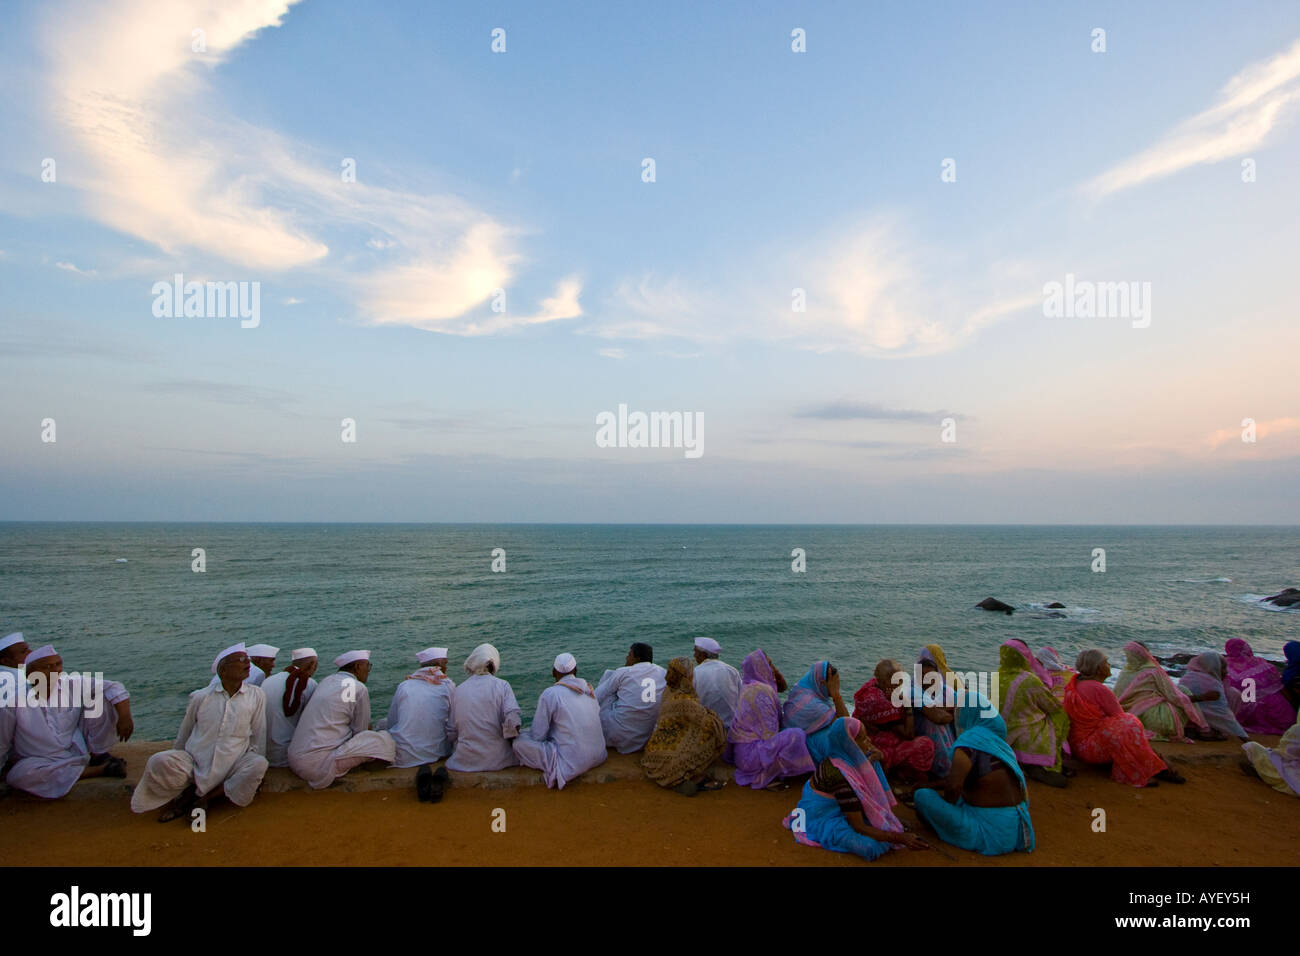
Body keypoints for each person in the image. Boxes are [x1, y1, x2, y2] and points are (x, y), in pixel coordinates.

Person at [131, 642, 266, 821]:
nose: (247, 664)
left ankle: (203, 798)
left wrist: (257, 767)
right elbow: (185, 732)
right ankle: (188, 792)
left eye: (247, 659)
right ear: (223, 670)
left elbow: (258, 732)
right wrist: (177, 755)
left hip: (233, 763)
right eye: (241, 660)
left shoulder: (256, 695)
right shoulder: (201, 697)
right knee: (159, 761)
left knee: (259, 763)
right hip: (196, 763)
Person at [1, 645, 133, 798]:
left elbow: (115, 688)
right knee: (18, 776)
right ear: (31, 674)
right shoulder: (13, 701)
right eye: (47, 667)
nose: (56, 670)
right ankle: (101, 770)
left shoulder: (70, 683)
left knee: (100, 696)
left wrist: (125, 718)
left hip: (73, 749)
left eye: (58, 664)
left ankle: (98, 754)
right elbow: (2, 742)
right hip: (37, 759)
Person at [913, 693, 1035, 856]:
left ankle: (947, 830)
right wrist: (933, 785)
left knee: (923, 797)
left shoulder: (968, 743)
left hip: (990, 834)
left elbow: (954, 787)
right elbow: (975, 778)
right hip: (1016, 827)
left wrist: (944, 804)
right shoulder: (998, 744)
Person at [1064, 649, 1183, 787]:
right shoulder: (1099, 689)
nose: (1109, 665)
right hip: (1092, 749)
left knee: (1126, 726)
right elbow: (1120, 718)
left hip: (1077, 747)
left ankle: (1156, 765)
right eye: (1106, 662)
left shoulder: (1074, 684)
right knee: (1129, 723)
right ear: (1098, 668)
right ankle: (1140, 771)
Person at [783, 757, 931, 861]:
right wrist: (898, 837)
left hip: (842, 811)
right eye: (862, 738)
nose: (867, 741)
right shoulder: (839, 774)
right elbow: (858, 826)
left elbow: (872, 798)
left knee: (886, 826)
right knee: (870, 847)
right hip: (823, 819)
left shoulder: (845, 760)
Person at [287, 650, 395, 789]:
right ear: (357, 667)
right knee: (385, 740)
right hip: (317, 765)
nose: (368, 671)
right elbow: (360, 732)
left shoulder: (327, 681)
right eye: (367, 666)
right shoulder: (357, 687)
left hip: (294, 758)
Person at [513, 653, 606, 789]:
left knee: (518, 743)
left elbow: (538, 736)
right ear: (576, 670)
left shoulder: (551, 694)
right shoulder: (589, 689)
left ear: (553, 672)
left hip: (573, 761)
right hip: (599, 754)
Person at [728, 649, 814, 790]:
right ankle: (766, 775)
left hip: (741, 754)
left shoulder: (748, 685)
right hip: (751, 758)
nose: (772, 668)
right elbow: (770, 735)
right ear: (760, 667)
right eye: (768, 664)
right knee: (797, 735)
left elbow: (782, 687)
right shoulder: (761, 691)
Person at [641, 657, 727, 795]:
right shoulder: (686, 701)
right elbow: (707, 723)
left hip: (653, 754)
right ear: (687, 675)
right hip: (670, 764)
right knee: (715, 730)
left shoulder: (668, 691)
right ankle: (688, 776)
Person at [998, 639, 1070, 786]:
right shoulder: (1030, 680)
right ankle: (1045, 763)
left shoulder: (998, 677)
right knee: (1058, 717)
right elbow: (1052, 706)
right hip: (1025, 732)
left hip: (1001, 732)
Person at [851, 659, 935, 784]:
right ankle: (896, 772)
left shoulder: (871, 687)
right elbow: (908, 734)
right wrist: (908, 707)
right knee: (925, 744)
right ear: (885, 682)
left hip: (869, 740)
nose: (901, 684)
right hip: (876, 746)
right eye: (898, 681)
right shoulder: (880, 704)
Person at [1114, 641, 1212, 741]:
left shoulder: (1125, 673)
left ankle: (1196, 727)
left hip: (1132, 720)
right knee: (1183, 690)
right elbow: (1174, 696)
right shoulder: (1152, 671)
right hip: (1159, 722)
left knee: (1178, 693)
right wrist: (1201, 697)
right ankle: (1202, 729)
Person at [446, 644, 521, 772]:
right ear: (494, 663)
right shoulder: (502, 685)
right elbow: (513, 722)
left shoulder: (459, 689)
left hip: (464, 760)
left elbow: (452, 732)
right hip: (498, 759)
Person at [385, 647, 456, 768]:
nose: (446, 668)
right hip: (438, 752)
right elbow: (453, 722)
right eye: (445, 664)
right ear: (439, 664)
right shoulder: (447, 685)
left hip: (404, 756)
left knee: (383, 724)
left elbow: (392, 721)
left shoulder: (404, 685)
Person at [594, 643, 667, 754]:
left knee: (608, 676)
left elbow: (598, 695)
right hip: (648, 736)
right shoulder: (663, 672)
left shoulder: (625, 671)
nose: (626, 657)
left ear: (637, 658)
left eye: (629, 654)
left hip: (620, 737)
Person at [260, 648, 319, 767]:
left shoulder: (268, 681)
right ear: (312, 664)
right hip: (288, 755)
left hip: (265, 753)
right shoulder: (309, 683)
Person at [1224, 638, 1297, 734]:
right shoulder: (1262, 665)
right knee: (1273, 696)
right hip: (1264, 711)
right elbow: (1278, 686)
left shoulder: (1223, 665)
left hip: (1235, 710)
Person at [1178, 652, 1248, 740]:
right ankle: (1212, 729)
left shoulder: (1187, 677)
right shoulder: (1212, 682)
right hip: (1196, 716)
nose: (1226, 671)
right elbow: (1221, 710)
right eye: (1223, 668)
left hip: (1188, 720)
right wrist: (1242, 735)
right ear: (1213, 667)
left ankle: (1194, 728)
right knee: (1234, 694)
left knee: (1232, 693)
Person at [913, 648, 957, 776]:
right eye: (922, 677)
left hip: (949, 731)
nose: (927, 681)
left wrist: (946, 710)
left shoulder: (945, 690)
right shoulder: (913, 691)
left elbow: (962, 708)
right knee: (933, 723)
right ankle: (944, 767)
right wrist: (950, 711)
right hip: (922, 732)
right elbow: (936, 717)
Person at [691, 637, 741, 731]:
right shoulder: (732, 670)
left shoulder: (695, 673)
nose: (694, 655)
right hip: (732, 727)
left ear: (703, 654)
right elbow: (741, 697)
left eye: (695, 652)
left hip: (707, 729)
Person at [1240, 722, 1299, 797]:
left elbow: (1284, 750)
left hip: (1283, 769)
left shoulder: (1296, 729)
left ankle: (1259, 772)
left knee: (1252, 746)